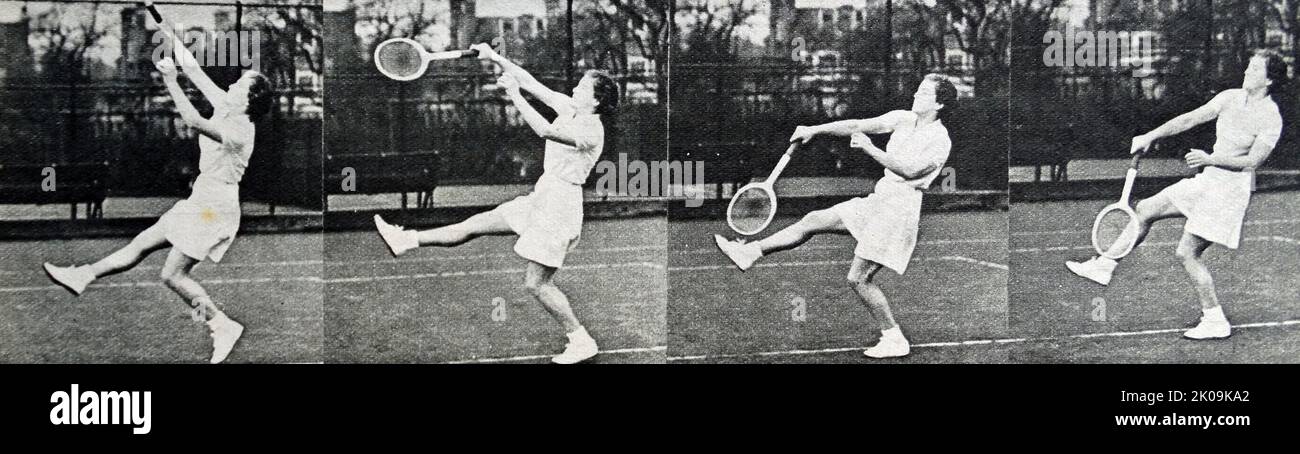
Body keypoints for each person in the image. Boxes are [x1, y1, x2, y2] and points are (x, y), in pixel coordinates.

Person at [373, 43, 619, 364]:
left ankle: (581, 339)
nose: (575, 87)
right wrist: (495, 58)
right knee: (474, 225)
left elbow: (544, 130)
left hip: (560, 207)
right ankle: (406, 239)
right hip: (543, 198)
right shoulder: (571, 108)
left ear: (596, 100)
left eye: (583, 87)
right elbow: (528, 80)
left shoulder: (591, 129)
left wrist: (514, 95)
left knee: (537, 284)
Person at [43, 46, 274, 364]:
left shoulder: (240, 130)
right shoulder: (228, 104)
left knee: (173, 275)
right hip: (203, 199)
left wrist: (170, 80)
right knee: (141, 244)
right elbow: (194, 70)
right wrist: (175, 43)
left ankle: (223, 325)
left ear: (248, 100)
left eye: (241, 85)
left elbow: (192, 120)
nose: (233, 85)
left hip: (214, 206)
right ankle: (83, 275)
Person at [715, 74, 957, 358]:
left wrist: (869, 148)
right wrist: (814, 129)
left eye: (924, 93)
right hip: (880, 200)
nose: (916, 94)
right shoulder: (904, 119)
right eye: (918, 89)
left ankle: (894, 338)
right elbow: (857, 125)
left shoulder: (940, 140)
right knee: (813, 220)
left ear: (939, 104)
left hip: (899, 211)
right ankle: (751, 252)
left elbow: (910, 170)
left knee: (858, 279)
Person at [1066, 50, 1288, 340]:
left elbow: (1252, 162)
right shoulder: (1230, 97)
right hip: (1208, 180)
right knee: (1145, 209)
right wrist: (1150, 136)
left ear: (1269, 80)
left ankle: (1215, 320)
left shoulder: (1271, 118)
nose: (1246, 71)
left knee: (1187, 253)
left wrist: (1210, 159)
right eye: (1248, 66)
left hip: (1229, 192)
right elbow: (1189, 119)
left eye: (1255, 69)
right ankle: (1104, 266)